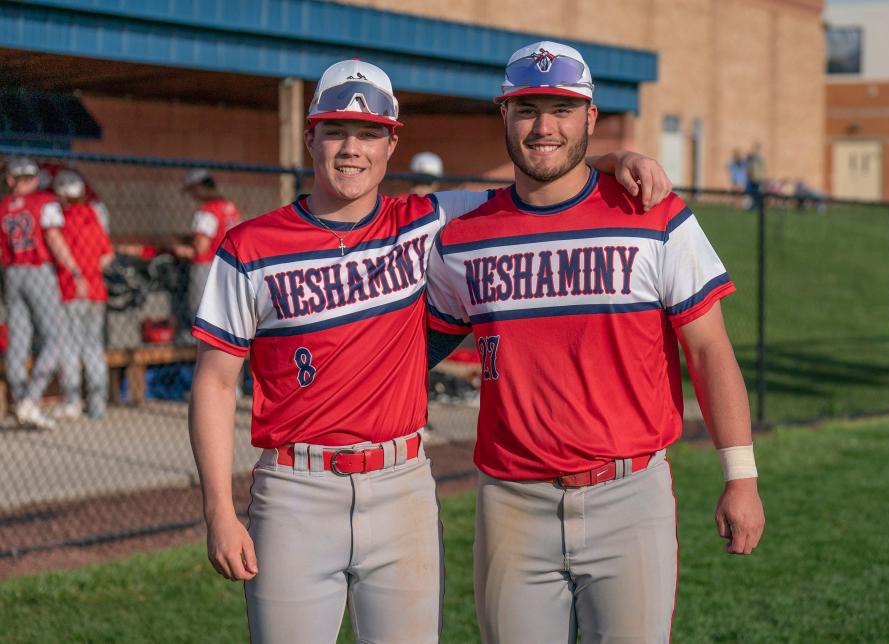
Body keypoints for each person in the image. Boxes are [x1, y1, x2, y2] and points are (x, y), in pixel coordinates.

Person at [188, 58, 672, 643]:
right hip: (295, 487)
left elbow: (543, 176)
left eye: (369, 134)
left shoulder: (427, 222)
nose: (351, 149)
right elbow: (215, 383)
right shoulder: (250, 246)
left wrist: (614, 159)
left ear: (391, 144)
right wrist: (219, 510)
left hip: (403, 485)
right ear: (310, 138)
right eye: (336, 131)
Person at [426, 41, 765, 643]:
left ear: (590, 116)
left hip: (628, 494)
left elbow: (709, 349)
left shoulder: (653, 213)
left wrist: (741, 478)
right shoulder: (463, 233)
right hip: (511, 500)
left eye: (561, 110)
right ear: (503, 114)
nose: (543, 127)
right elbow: (409, 349)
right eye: (527, 109)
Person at [0, 157, 85, 430]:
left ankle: (20, 401)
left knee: (18, 341)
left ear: (10, 180)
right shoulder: (43, 202)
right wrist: (75, 270)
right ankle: (30, 399)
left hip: (11, 273)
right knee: (55, 338)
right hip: (38, 270)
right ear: (35, 179)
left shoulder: (3, 207)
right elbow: (53, 238)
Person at [51, 170, 114, 419]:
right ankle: (97, 404)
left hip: (71, 288)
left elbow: (60, 252)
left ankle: (72, 401)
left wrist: (78, 274)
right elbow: (107, 256)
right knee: (93, 347)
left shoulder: (63, 219)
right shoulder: (92, 215)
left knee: (69, 346)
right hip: (96, 289)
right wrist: (90, 272)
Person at [174, 169, 240, 342]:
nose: (192, 196)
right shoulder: (229, 206)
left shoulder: (207, 210)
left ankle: (200, 345)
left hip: (206, 266)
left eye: (192, 190)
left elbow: (201, 246)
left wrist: (183, 246)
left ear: (200, 187)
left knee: (201, 312)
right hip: (229, 265)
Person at [746, 142, 766, 211]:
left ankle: (756, 206)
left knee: (757, 193)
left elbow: (762, 168)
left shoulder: (760, 158)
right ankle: (750, 206)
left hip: (757, 178)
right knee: (750, 193)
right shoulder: (751, 158)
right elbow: (748, 167)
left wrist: (761, 177)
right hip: (751, 178)